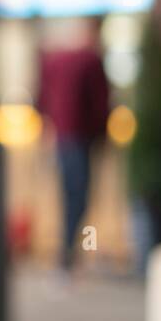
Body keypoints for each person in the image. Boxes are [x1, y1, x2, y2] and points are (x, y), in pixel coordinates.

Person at [37, 17, 110, 271]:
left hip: (60, 138)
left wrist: (45, 129)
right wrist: (104, 136)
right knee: (80, 198)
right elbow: (102, 104)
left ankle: (70, 255)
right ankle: (70, 256)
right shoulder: (91, 60)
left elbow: (42, 99)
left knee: (68, 197)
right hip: (81, 139)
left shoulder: (53, 60)